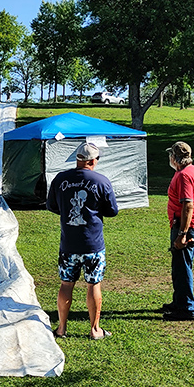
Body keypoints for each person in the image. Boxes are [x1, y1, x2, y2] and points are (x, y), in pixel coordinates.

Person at [46, 142, 119, 340]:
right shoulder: (101, 181)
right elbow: (112, 210)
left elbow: (52, 206)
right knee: (93, 285)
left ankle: (61, 328)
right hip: (93, 244)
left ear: (77, 159)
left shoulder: (60, 179)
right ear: (93, 160)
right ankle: (95, 330)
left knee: (66, 284)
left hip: (68, 244)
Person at [163, 141, 194, 322]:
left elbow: (188, 205)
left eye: (171, 155)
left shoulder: (184, 175)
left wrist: (182, 233)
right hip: (188, 225)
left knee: (183, 268)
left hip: (185, 227)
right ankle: (179, 302)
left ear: (175, 157)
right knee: (179, 267)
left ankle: (187, 308)